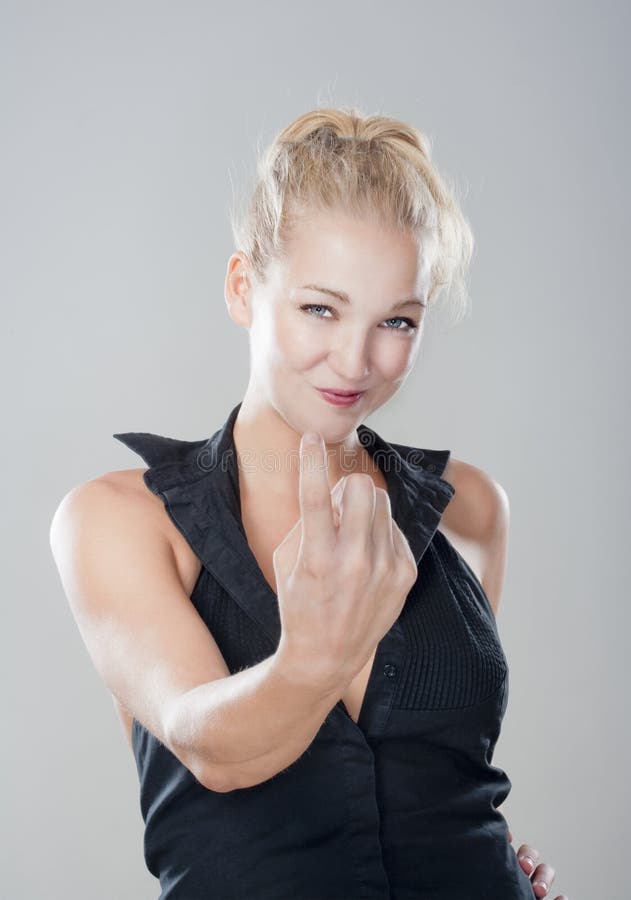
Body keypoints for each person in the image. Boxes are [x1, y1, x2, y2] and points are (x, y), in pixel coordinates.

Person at [50, 106, 569, 899]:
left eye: (396, 320)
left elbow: (442, 774)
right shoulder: (121, 521)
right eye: (319, 308)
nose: (355, 360)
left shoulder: (470, 512)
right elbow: (210, 750)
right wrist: (313, 657)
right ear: (242, 288)